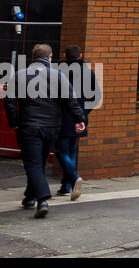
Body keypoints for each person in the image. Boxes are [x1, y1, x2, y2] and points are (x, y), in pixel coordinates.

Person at [1, 44, 85, 218]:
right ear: (49, 58)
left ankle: (42, 199)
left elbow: (9, 101)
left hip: (29, 127)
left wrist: (14, 122)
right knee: (38, 162)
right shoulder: (58, 76)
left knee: (33, 164)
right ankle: (29, 197)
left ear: (34, 58)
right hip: (52, 128)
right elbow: (71, 100)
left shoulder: (20, 75)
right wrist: (79, 119)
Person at [54, 46, 95, 200]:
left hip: (63, 118)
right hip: (79, 119)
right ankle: (66, 186)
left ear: (65, 55)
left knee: (61, 151)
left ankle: (73, 178)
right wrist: (83, 114)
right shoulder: (88, 73)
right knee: (71, 150)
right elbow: (94, 97)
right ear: (81, 56)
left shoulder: (60, 73)